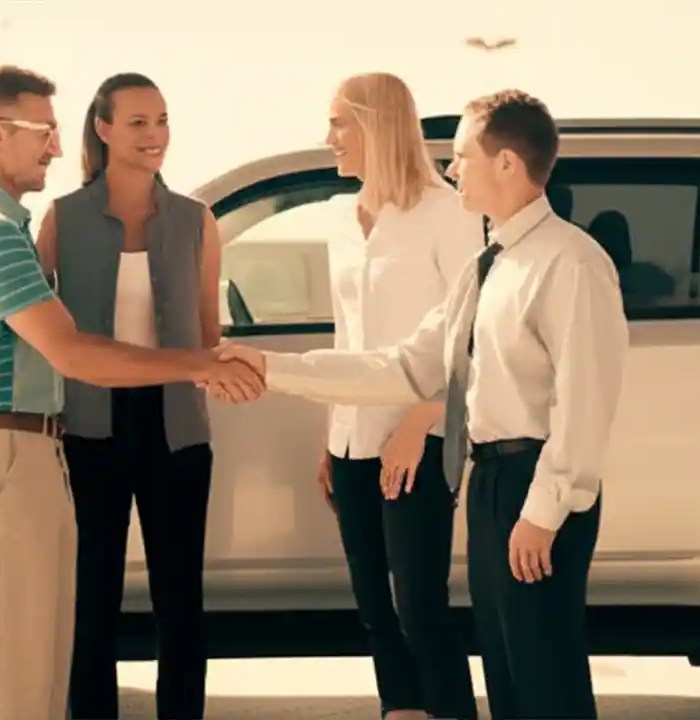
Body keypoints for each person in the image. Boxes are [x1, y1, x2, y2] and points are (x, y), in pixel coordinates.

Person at [217, 89, 629, 719]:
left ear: (508, 166)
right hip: (491, 481)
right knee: (510, 679)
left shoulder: (570, 263)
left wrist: (543, 512)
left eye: (462, 155)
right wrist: (271, 368)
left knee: (548, 682)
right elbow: (404, 367)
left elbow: (586, 402)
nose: (451, 168)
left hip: (536, 484)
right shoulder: (486, 267)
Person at [0, 64, 261, 720]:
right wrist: (198, 363)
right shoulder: (4, 228)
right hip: (42, 436)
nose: (52, 144)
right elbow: (71, 351)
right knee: (29, 645)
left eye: (162, 119)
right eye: (41, 130)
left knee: (43, 643)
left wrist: (202, 366)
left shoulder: (6, 223)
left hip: (88, 436)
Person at [33, 72, 219, 720]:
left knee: (180, 603)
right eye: (138, 122)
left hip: (178, 430)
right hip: (87, 429)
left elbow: (207, 334)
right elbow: (36, 335)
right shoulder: (61, 219)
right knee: (92, 602)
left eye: (162, 120)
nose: (155, 135)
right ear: (103, 129)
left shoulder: (198, 221)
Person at [314, 72, 482, 720]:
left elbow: (467, 332)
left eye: (338, 123)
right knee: (374, 610)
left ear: (376, 124)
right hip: (351, 436)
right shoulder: (338, 218)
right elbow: (344, 333)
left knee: (419, 605)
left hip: (420, 435)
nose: (329, 138)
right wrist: (331, 434)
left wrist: (422, 421)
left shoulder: (447, 213)